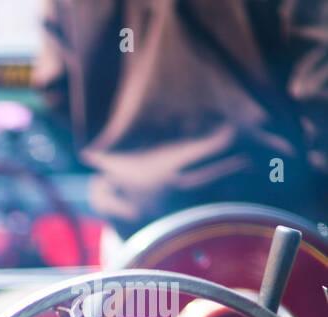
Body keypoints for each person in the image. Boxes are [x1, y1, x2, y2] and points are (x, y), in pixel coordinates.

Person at [33, 0, 328, 239]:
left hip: (134, 226)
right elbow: (319, 84)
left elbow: (55, 86)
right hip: (271, 225)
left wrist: (120, 160)